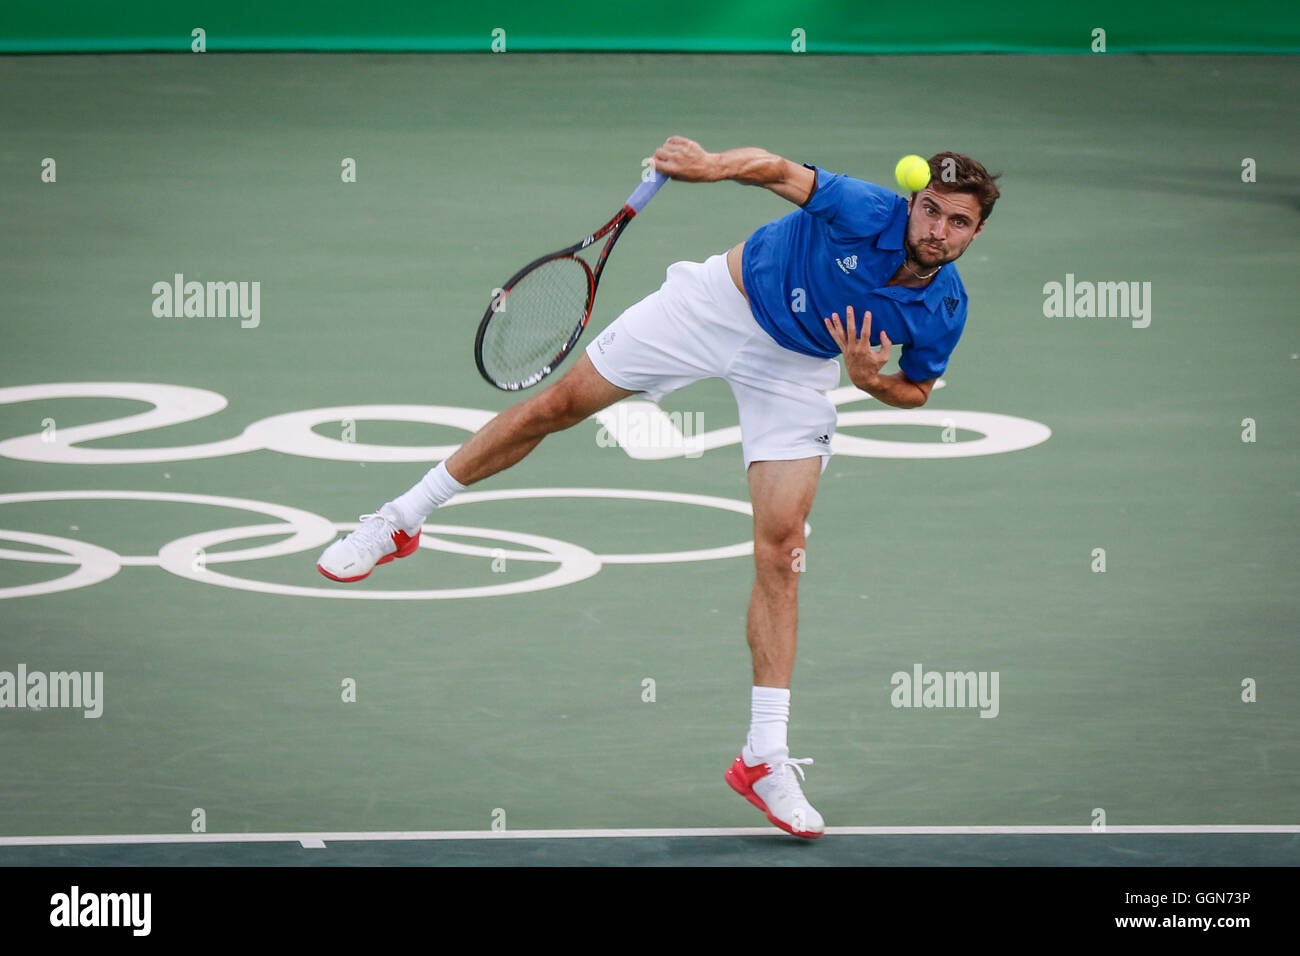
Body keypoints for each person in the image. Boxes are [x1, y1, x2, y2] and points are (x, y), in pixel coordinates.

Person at [317, 136, 1001, 838]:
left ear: (975, 233)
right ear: (912, 203)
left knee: (784, 547)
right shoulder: (864, 209)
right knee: (558, 407)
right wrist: (709, 168)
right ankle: (400, 518)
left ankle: (764, 759)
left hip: (796, 371)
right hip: (716, 306)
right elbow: (773, 169)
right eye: (930, 212)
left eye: (957, 224)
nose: (937, 231)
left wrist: (871, 383)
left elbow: (916, 389)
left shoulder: (942, 307)